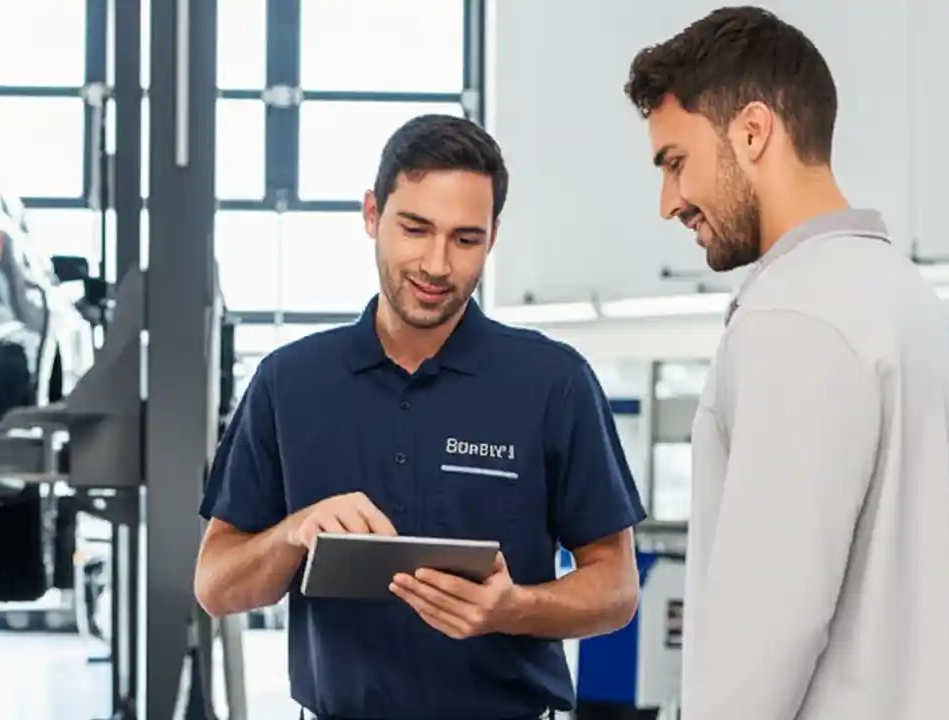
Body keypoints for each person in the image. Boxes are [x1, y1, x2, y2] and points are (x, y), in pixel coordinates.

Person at [193, 114, 648, 719]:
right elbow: (216, 586)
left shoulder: (553, 382)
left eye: (466, 239)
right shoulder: (289, 381)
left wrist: (514, 608)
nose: (437, 265)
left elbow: (616, 587)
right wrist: (293, 532)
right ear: (371, 215)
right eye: (415, 229)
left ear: (493, 236)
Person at [623, 6, 949, 719]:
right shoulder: (920, 312)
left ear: (753, 131)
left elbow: (757, 651)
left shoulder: (796, 319)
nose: (669, 202)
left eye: (676, 162)